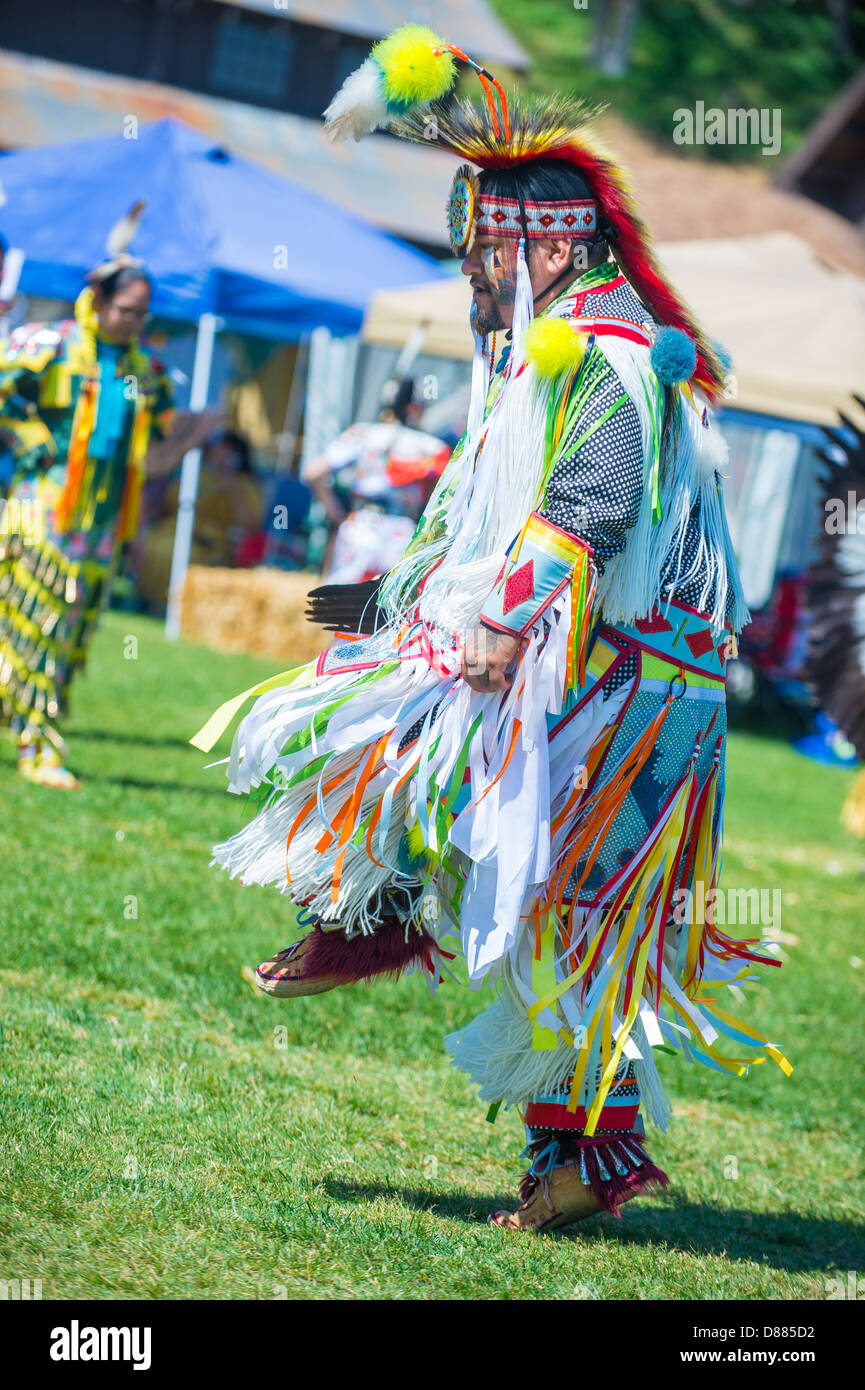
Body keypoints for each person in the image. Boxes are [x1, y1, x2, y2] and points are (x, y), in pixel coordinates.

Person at [196, 24, 790, 1232]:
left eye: (476, 249)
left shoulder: (608, 358)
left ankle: (382, 934)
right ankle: (395, 947)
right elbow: (494, 507)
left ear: (531, 246)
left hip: (628, 695)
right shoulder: (558, 352)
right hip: (606, 683)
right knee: (536, 908)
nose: (466, 271)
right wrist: (415, 607)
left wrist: (509, 624)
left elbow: (593, 496)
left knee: (558, 919)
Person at [0, 243, 173, 788]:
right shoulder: (49, 345)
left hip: (100, 524)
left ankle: (38, 741)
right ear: (96, 300)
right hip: (44, 511)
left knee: (66, 635)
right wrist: (29, 438)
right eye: (127, 311)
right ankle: (36, 746)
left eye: (144, 314)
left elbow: (156, 435)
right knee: (31, 624)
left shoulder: (144, 368)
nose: (135, 323)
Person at [302, 377, 450, 583]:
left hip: (360, 527)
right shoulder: (432, 448)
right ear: (414, 408)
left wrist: (335, 513)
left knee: (337, 604)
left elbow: (313, 472)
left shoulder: (361, 434)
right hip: (404, 534)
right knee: (389, 610)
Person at [135, 429, 263, 610]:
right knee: (151, 545)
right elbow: (169, 504)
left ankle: (167, 605)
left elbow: (250, 524)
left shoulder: (244, 485)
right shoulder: (192, 473)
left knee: (172, 553)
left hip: (209, 543)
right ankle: (145, 598)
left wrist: (232, 486)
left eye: (223, 449)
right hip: (171, 530)